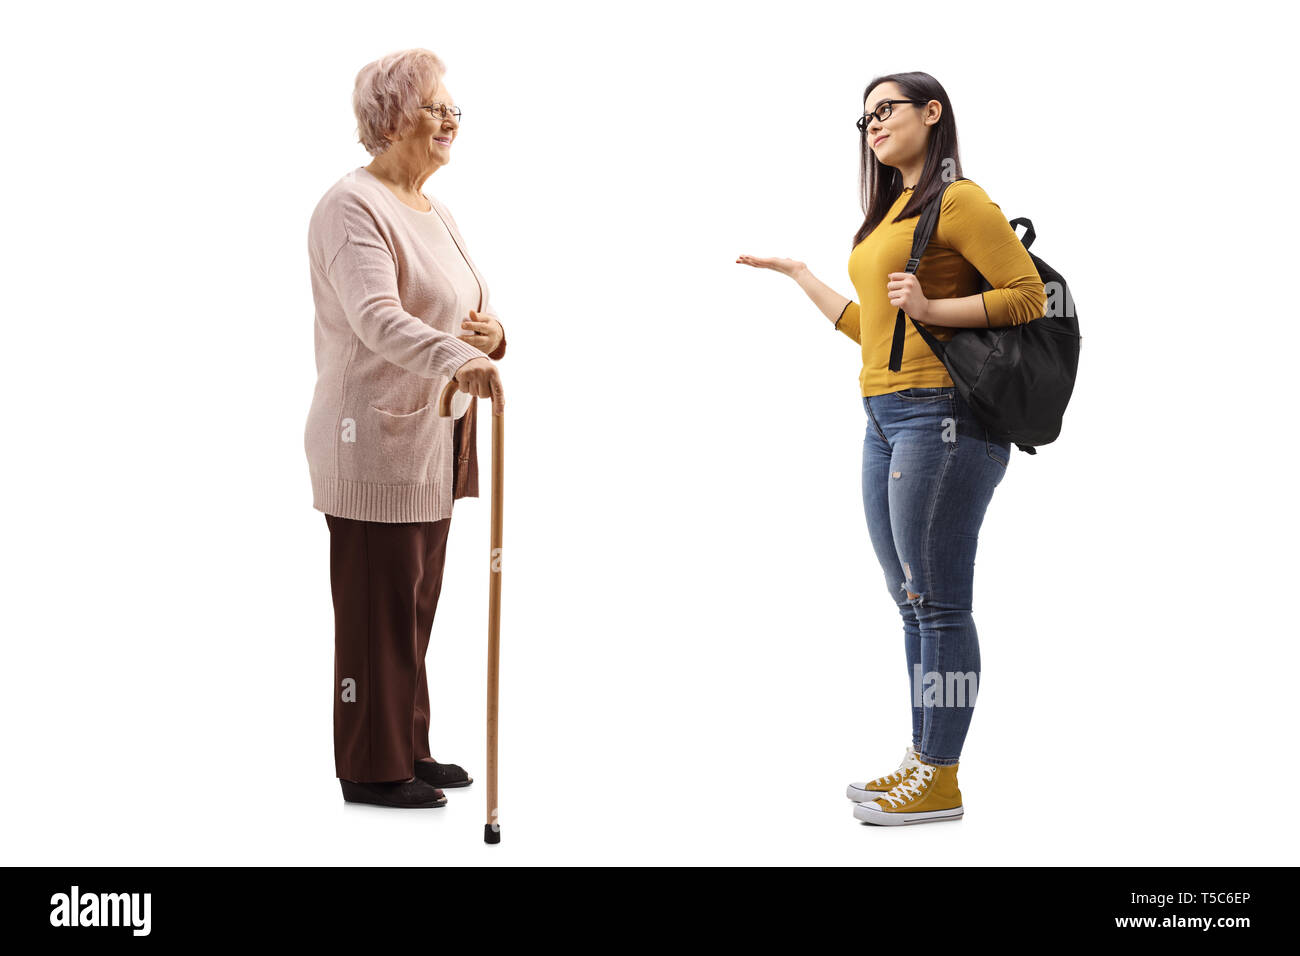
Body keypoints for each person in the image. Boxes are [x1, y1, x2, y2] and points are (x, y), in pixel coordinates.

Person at [737, 71, 1045, 825]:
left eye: (887, 110)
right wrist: (805, 277)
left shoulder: (960, 200)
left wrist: (936, 304)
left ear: (931, 113)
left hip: (942, 419)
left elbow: (1027, 294)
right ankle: (920, 756)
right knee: (911, 602)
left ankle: (941, 778)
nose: (872, 125)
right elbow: (877, 329)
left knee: (938, 604)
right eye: (864, 117)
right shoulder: (892, 214)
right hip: (882, 415)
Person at [305, 48, 507, 809]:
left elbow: (458, 308)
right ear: (391, 119)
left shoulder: (434, 209)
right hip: (372, 439)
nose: (451, 119)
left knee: (411, 604)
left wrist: (490, 338)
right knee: (375, 613)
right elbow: (376, 318)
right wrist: (460, 355)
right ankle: (369, 764)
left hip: (431, 434)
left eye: (456, 108)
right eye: (435, 107)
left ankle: (408, 745)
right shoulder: (350, 206)